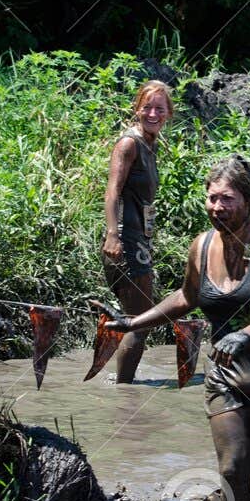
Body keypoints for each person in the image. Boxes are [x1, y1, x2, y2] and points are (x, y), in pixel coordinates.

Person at [100, 156, 250, 501]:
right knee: (233, 472)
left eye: (227, 199)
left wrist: (247, 332)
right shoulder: (201, 246)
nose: (217, 207)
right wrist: (133, 322)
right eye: (212, 198)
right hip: (227, 377)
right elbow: (186, 297)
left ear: (248, 201)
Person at [101, 81, 172, 383]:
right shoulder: (129, 144)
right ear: (137, 109)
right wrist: (112, 235)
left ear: (169, 113)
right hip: (124, 240)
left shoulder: (150, 145)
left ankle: (123, 384)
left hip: (139, 240)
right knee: (139, 322)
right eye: (147, 107)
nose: (153, 114)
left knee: (140, 319)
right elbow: (112, 191)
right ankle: (125, 392)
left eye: (160, 108)